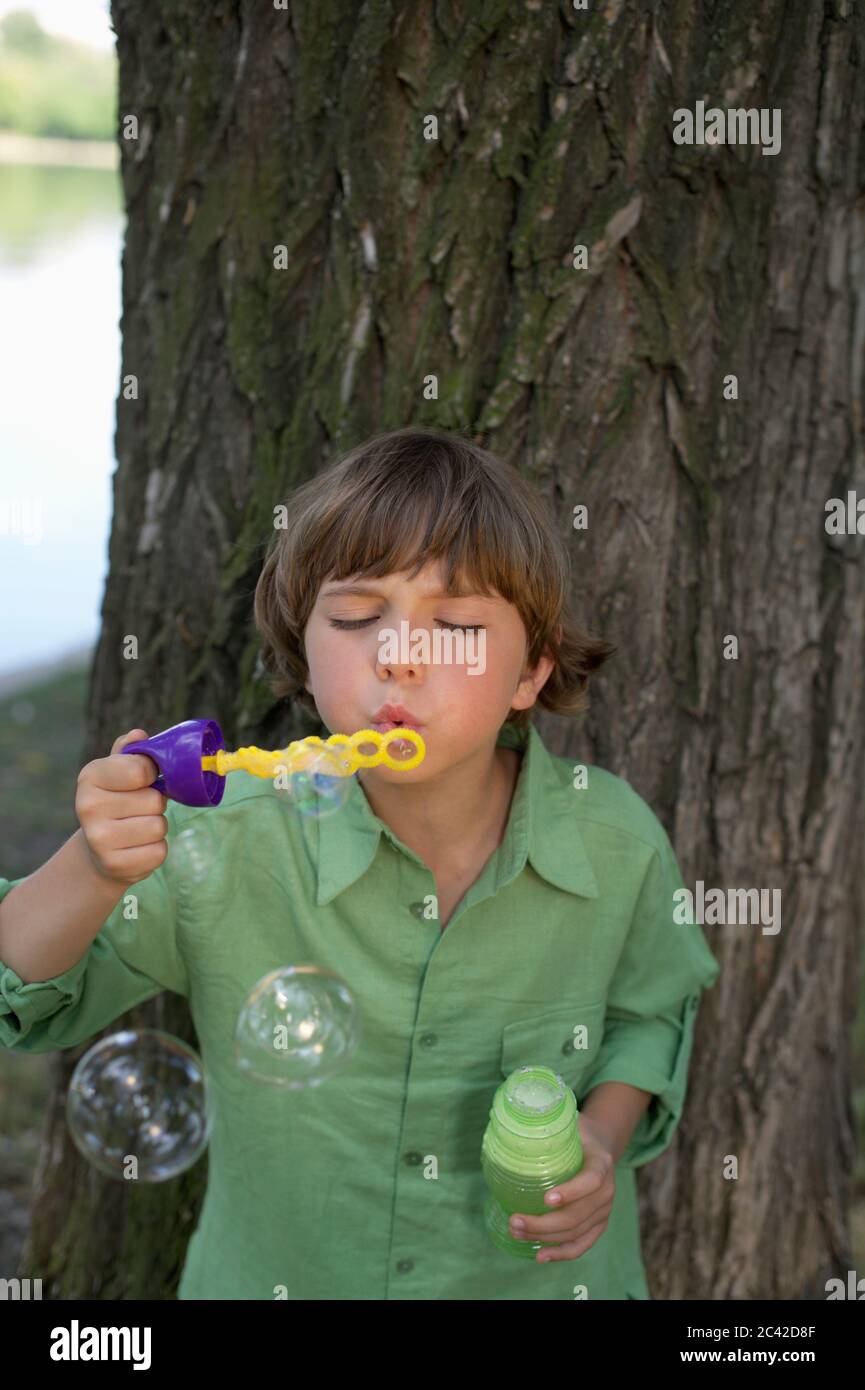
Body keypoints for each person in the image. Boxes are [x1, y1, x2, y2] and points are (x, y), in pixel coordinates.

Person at [0, 425, 720, 1300]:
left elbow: (650, 1016)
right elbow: (27, 988)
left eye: (454, 626)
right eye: (354, 617)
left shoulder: (615, 843)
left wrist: (600, 1142)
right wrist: (93, 865)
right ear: (303, 648)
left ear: (531, 671)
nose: (399, 654)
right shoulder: (222, 840)